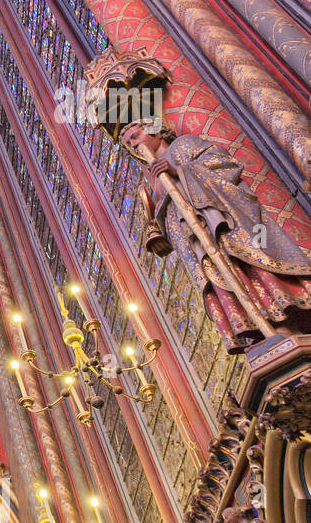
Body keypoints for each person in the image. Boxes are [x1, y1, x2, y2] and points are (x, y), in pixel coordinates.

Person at [122, 121, 311, 351]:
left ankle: (284, 320)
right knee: (221, 276)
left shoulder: (183, 145)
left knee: (249, 262)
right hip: (198, 239)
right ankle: (261, 329)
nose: (133, 144)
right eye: (128, 143)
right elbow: (168, 213)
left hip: (224, 223)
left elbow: (224, 164)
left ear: (156, 131)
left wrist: (178, 171)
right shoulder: (151, 180)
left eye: (135, 135)